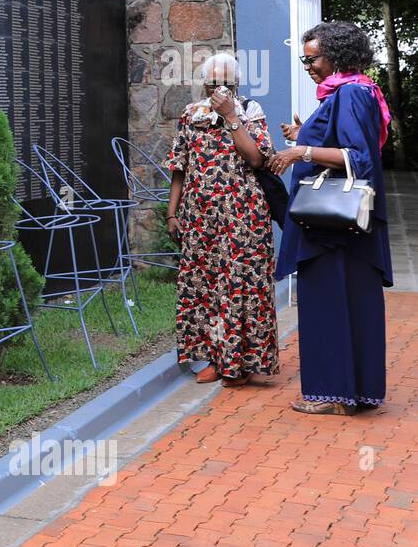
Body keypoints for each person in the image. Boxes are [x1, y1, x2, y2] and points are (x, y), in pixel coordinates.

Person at [267, 20, 391, 415]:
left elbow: (359, 157)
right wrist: (308, 135)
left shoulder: (351, 93)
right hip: (344, 225)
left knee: (328, 304)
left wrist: (298, 152)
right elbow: (343, 142)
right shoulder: (356, 90)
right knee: (352, 303)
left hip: (334, 227)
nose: (307, 66)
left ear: (337, 53)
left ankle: (333, 395)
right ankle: (352, 394)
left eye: (312, 58)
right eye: (303, 60)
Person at [164, 52, 279, 387]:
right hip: (201, 219)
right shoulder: (191, 115)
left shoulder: (250, 111)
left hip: (244, 218)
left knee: (242, 286)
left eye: (227, 82)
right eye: (215, 82)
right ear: (205, 83)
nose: (220, 88)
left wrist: (231, 116)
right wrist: (172, 212)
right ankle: (217, 359)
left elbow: (257, 158)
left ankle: (244, 362)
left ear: (237, 83)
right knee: (206, 289)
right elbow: (179, 166)